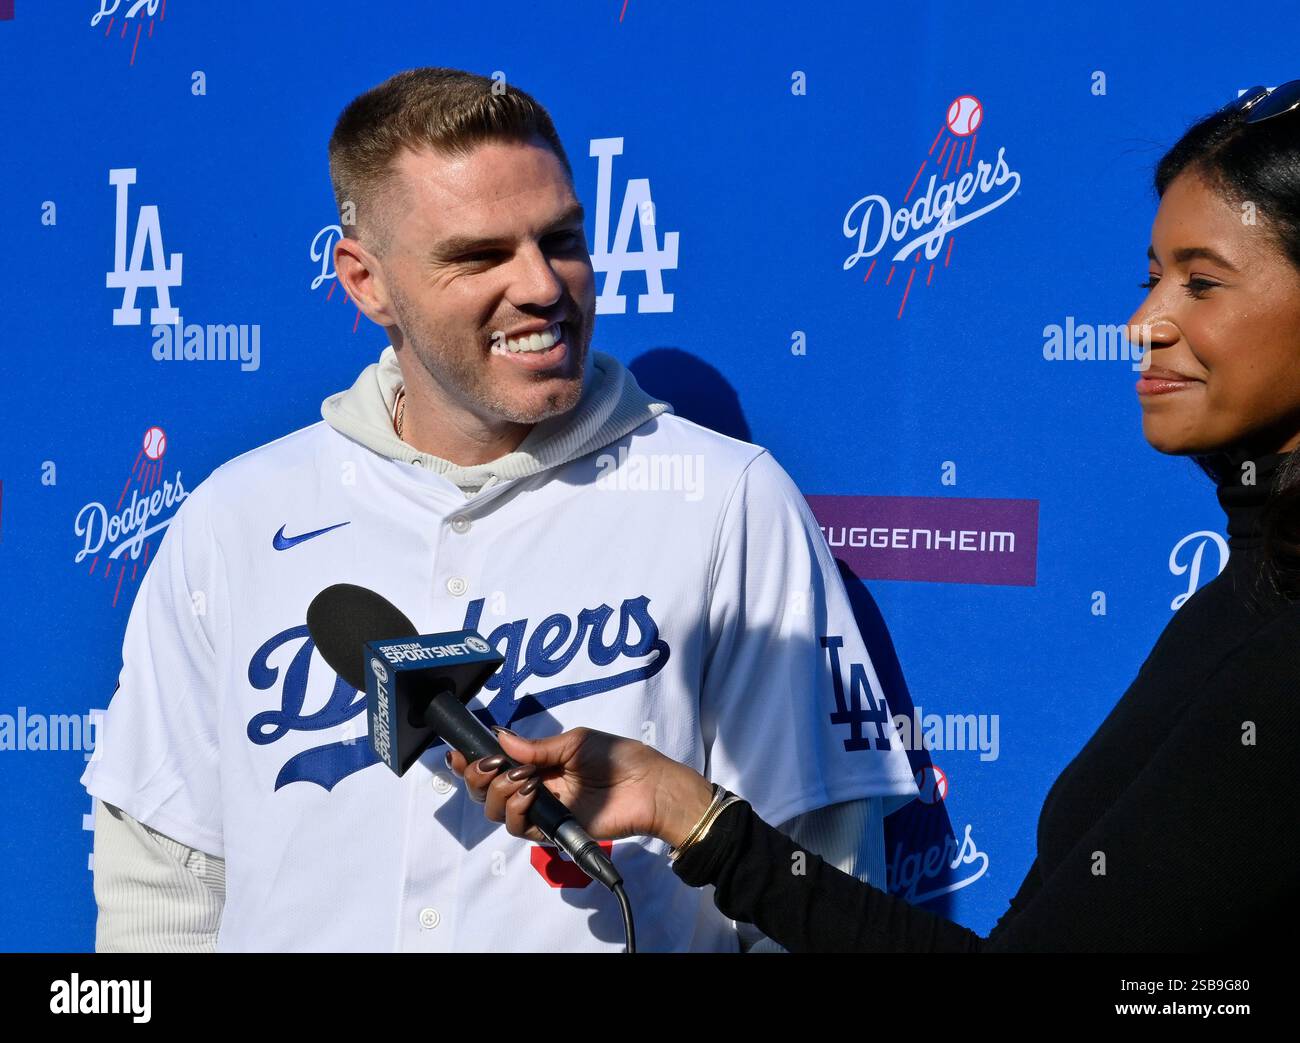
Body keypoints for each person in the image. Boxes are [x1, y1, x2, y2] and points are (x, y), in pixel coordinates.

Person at [79, 67, 920, 953]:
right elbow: (162, 886)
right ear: (365, 282)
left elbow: (815, 886)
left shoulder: (726, 501)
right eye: (480, 255)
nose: (543, 287)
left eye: (561, 239)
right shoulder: (235, 518)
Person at [450, 81, 1300, 952]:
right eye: (1152, 278)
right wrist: (686, 810)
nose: (1142, 322)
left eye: (1202, 282)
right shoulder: (1248, 593)